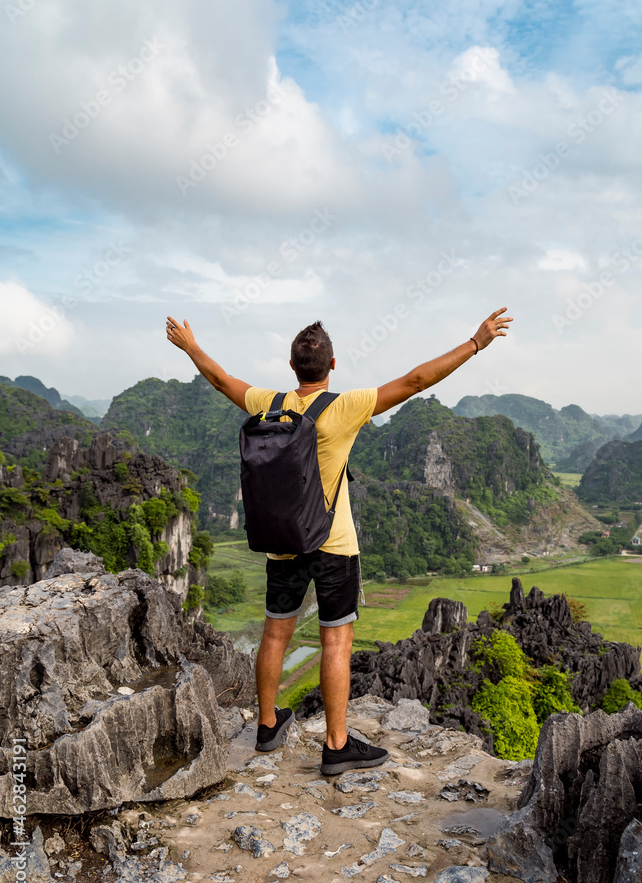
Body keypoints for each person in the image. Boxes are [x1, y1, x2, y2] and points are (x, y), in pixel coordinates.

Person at [166, 307, 512, 774]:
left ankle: (267, 725)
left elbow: (221, 380)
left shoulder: (269, 403)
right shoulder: (345, 407)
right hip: (334, 545)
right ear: (332, 366)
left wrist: (191, 347)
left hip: (283, 541)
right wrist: (474, 344)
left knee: (275, 631)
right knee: (336, 643)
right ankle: (336, 744)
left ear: (292, 367)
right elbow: (414, 382)